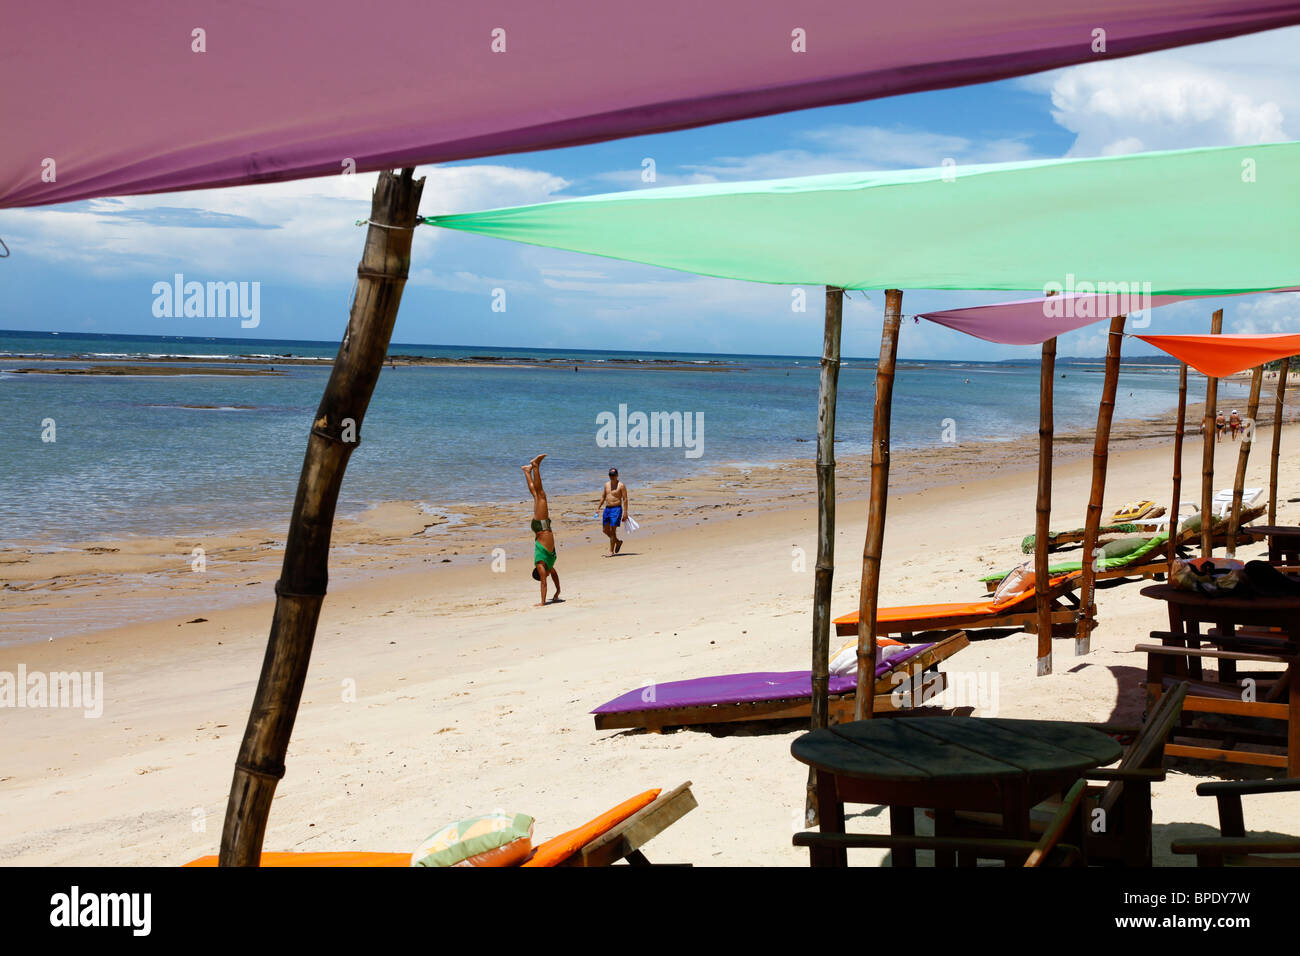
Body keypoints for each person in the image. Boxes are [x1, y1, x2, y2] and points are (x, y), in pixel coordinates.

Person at [521, 454, 560, 606]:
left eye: (545, 574)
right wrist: (558, 591)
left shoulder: (541, 564)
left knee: (541, 496)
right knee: (537, 496)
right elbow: (555, 576)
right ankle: (527, 471)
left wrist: (543, 602)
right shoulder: (550, 565)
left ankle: (535, 466)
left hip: (542, 527)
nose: (548, 575)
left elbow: (543, 582)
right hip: (543, 527)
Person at [597, 467, 630, 556]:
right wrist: (598, 508)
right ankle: (618, 542)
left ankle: (611, 551)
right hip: (607, 509)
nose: (612, 477)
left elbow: (625, 499)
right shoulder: (606, 485)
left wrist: (625, 513)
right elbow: (603, 497)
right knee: (605, 530)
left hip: (616, 509)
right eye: (610, 475)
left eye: (614, 475)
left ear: (617, 475)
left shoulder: (621, 485)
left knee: (612, 530)